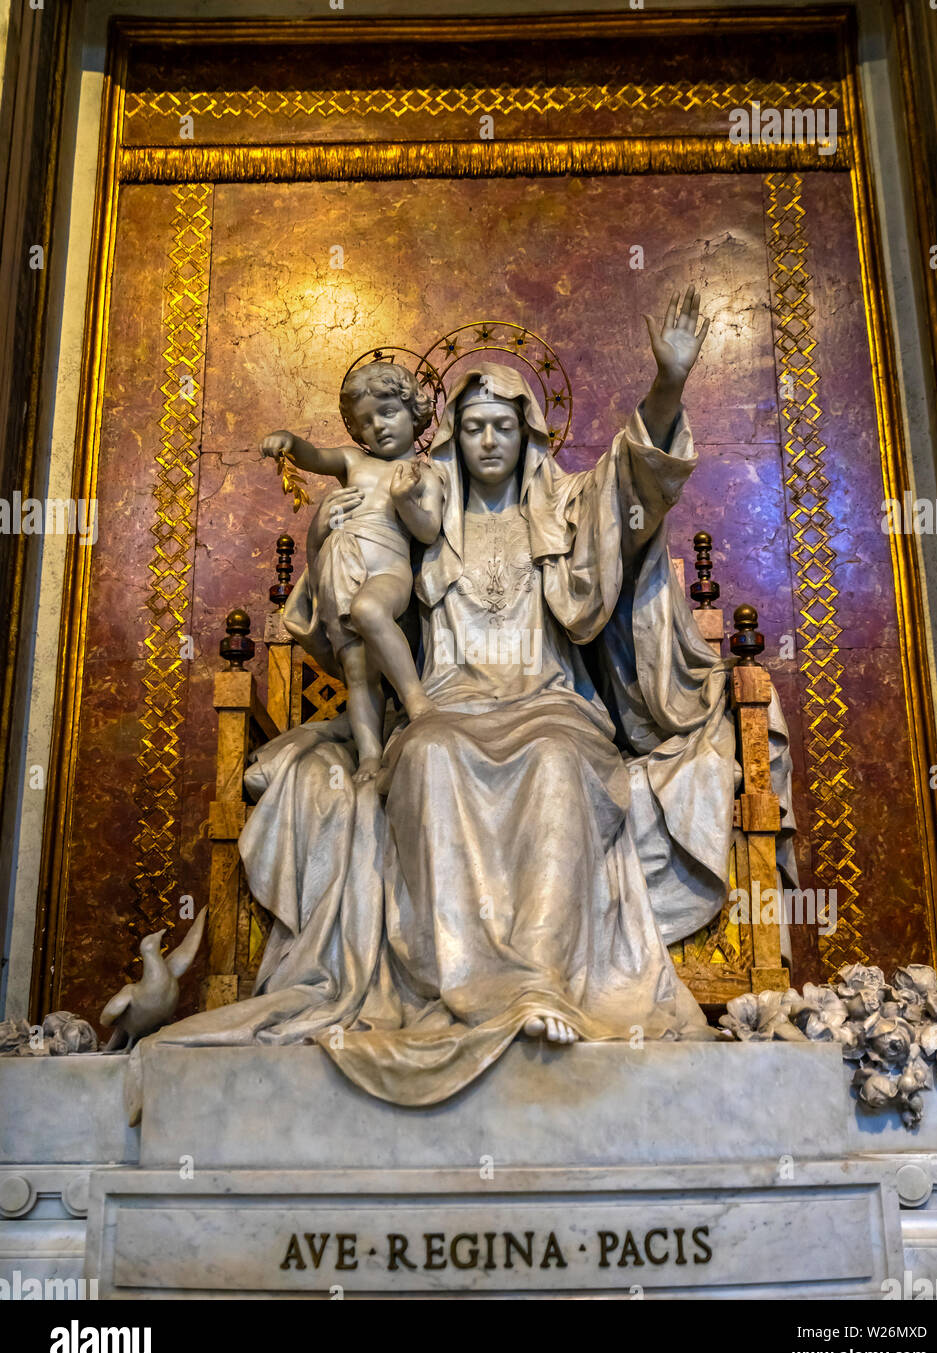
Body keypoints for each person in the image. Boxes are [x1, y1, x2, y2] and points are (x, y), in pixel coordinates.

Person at [154, 289, 796, 1106]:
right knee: (423, 758)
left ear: (529, 431)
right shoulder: (416, 509)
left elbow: (640, 482)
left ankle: (537, 984)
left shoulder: (566, 508)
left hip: (553, 707)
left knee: (557, 767)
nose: (486, 439)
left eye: (502, 425)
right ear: (452, 435)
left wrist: (667, 383)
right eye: (471, 426)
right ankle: (454, 992)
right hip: (448, 707)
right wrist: (331, 525)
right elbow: (345, 592)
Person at [261, 361, 445, 782]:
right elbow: (313, 456)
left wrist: (404, 499)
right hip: (339, 575)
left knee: (370, 610)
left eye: (388, 412)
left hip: (389, 569)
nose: (377, 426)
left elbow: (429, 530)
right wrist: (290, 441)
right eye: (365, 421)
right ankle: (368, 757)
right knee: (359, 673)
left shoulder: (424, 473)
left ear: (413, 411)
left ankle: (416, 701)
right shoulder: (351, 462)